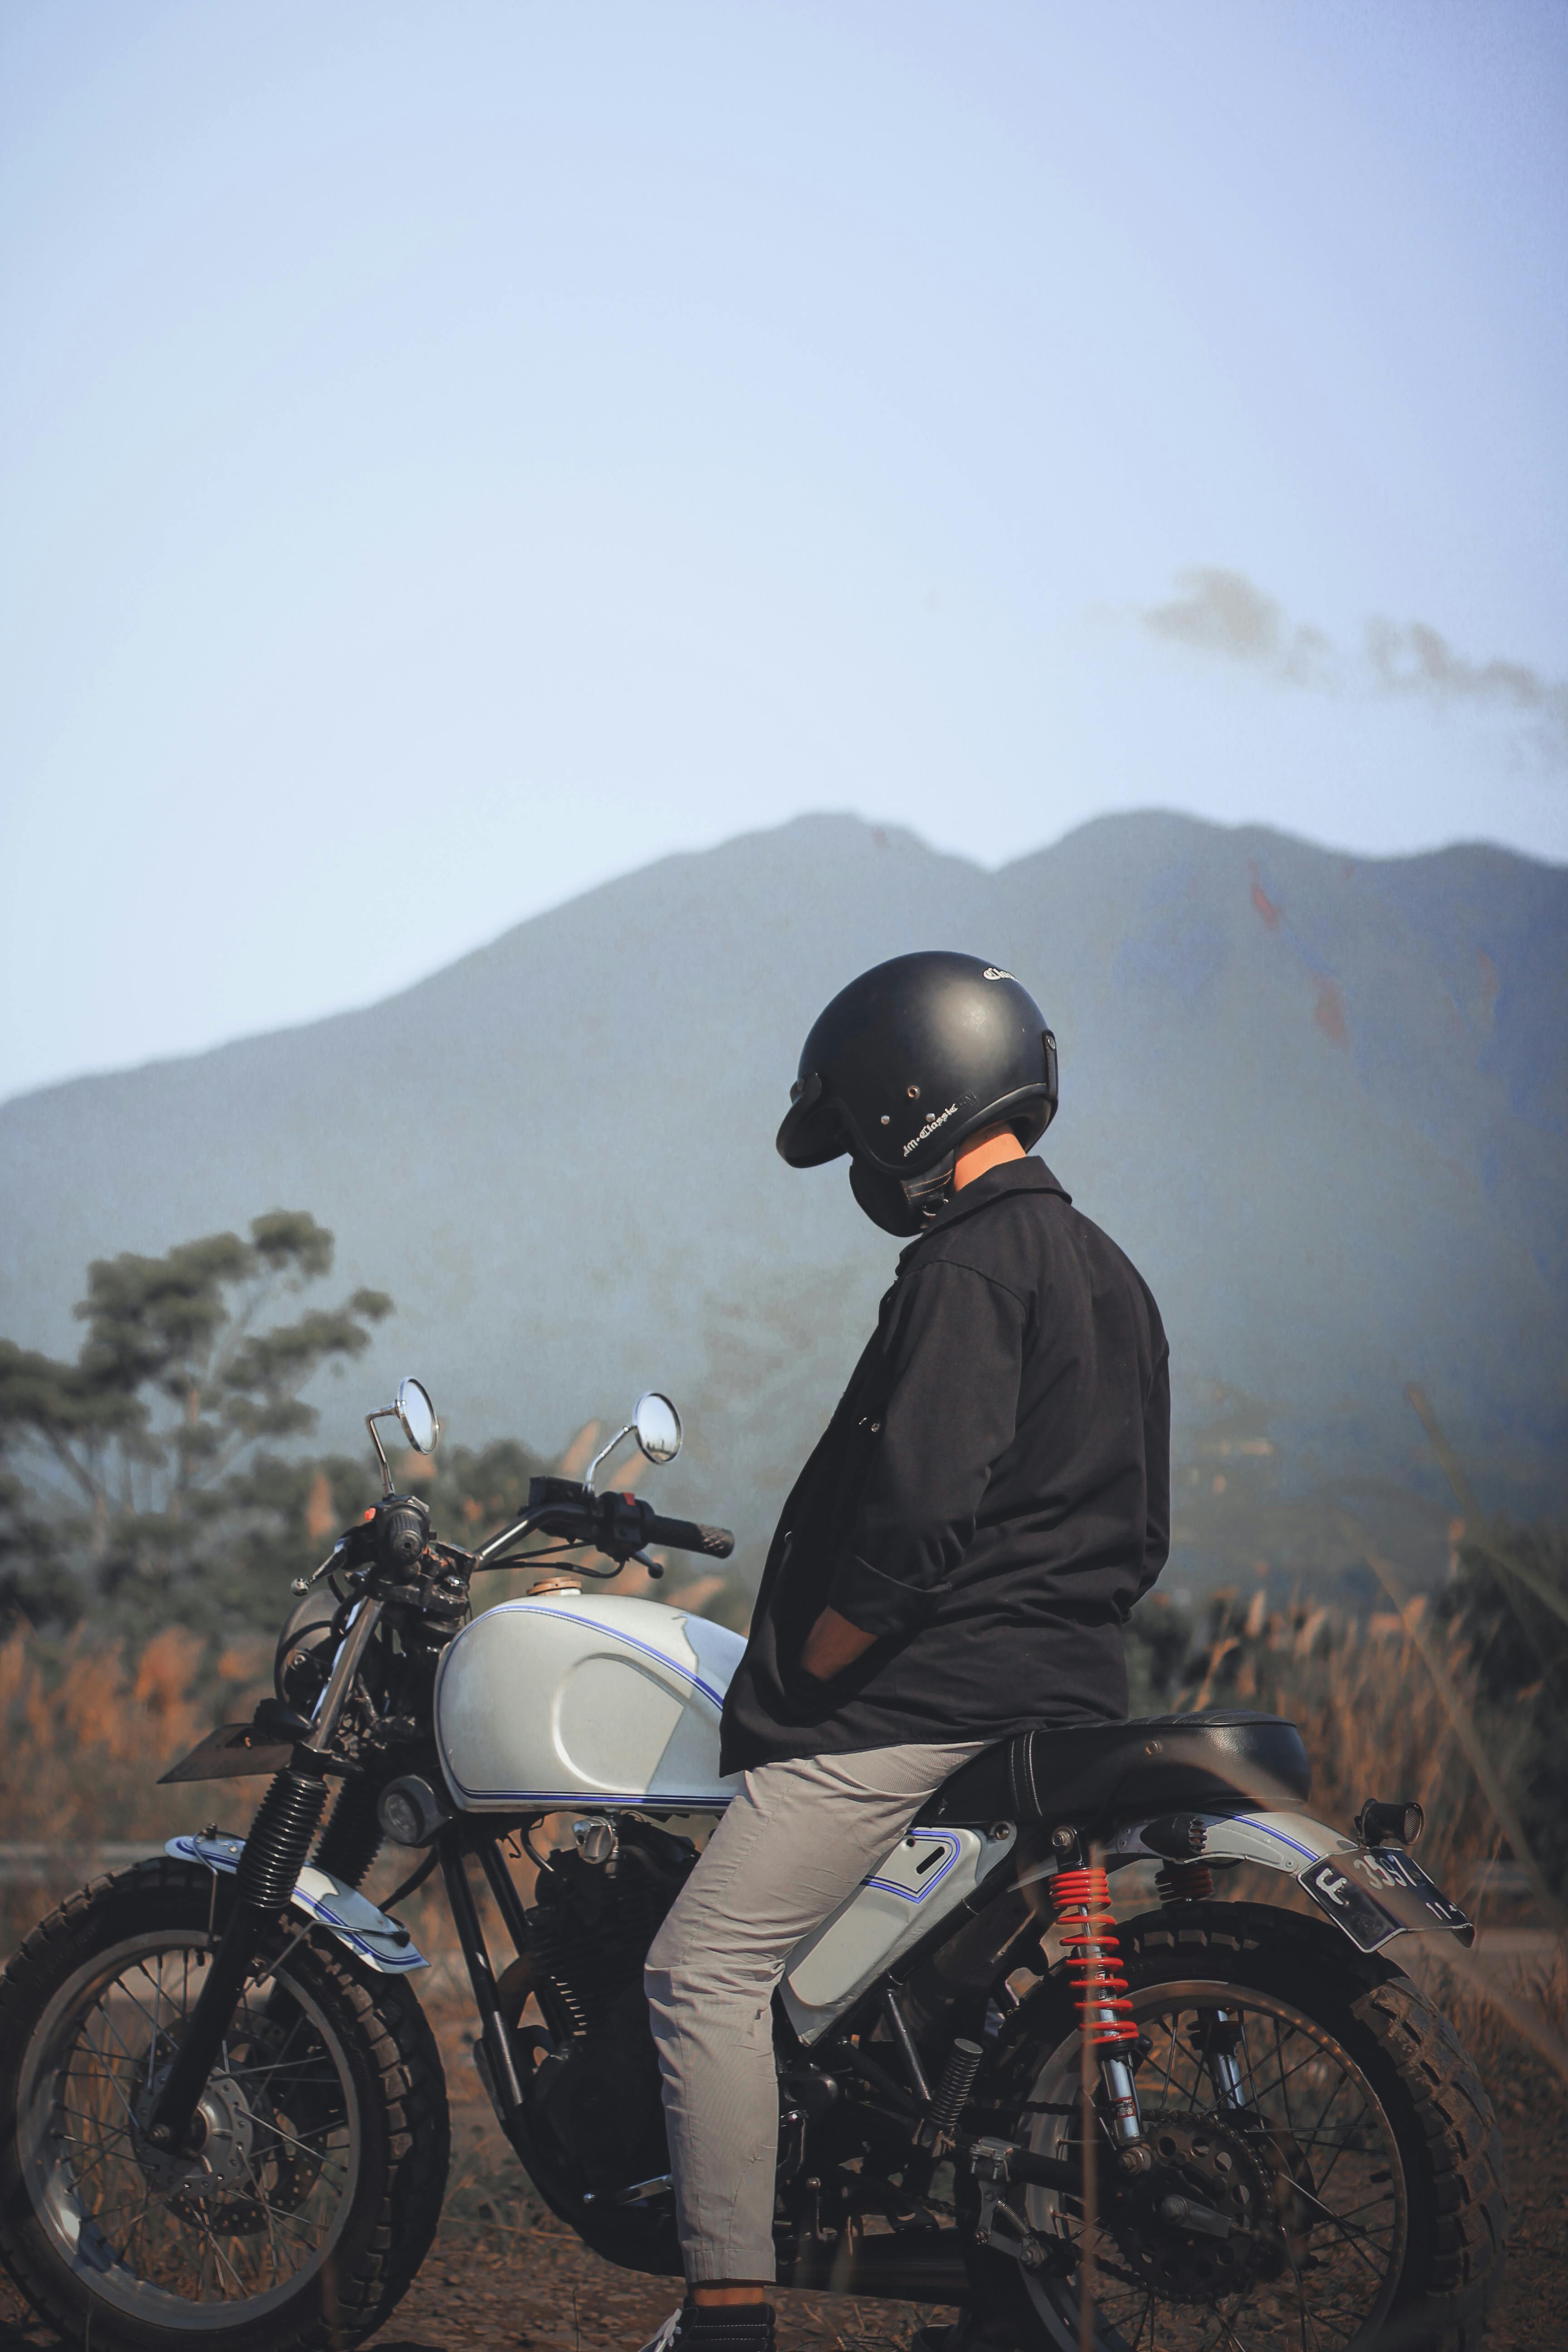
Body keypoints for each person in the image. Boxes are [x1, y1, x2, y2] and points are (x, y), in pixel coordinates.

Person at [637, 951, 1170, 2352]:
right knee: (992, 2015)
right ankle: (1012, 2302)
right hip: (1066, 1697)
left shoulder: (969, 1265)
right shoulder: (1108, 1270)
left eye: (861, 1129)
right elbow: (1140, 1530)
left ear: (905, 1102)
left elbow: (917, 1515)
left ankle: (730, 2317)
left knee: (702, 1971)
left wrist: (817, 1661)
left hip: (929, 1698)